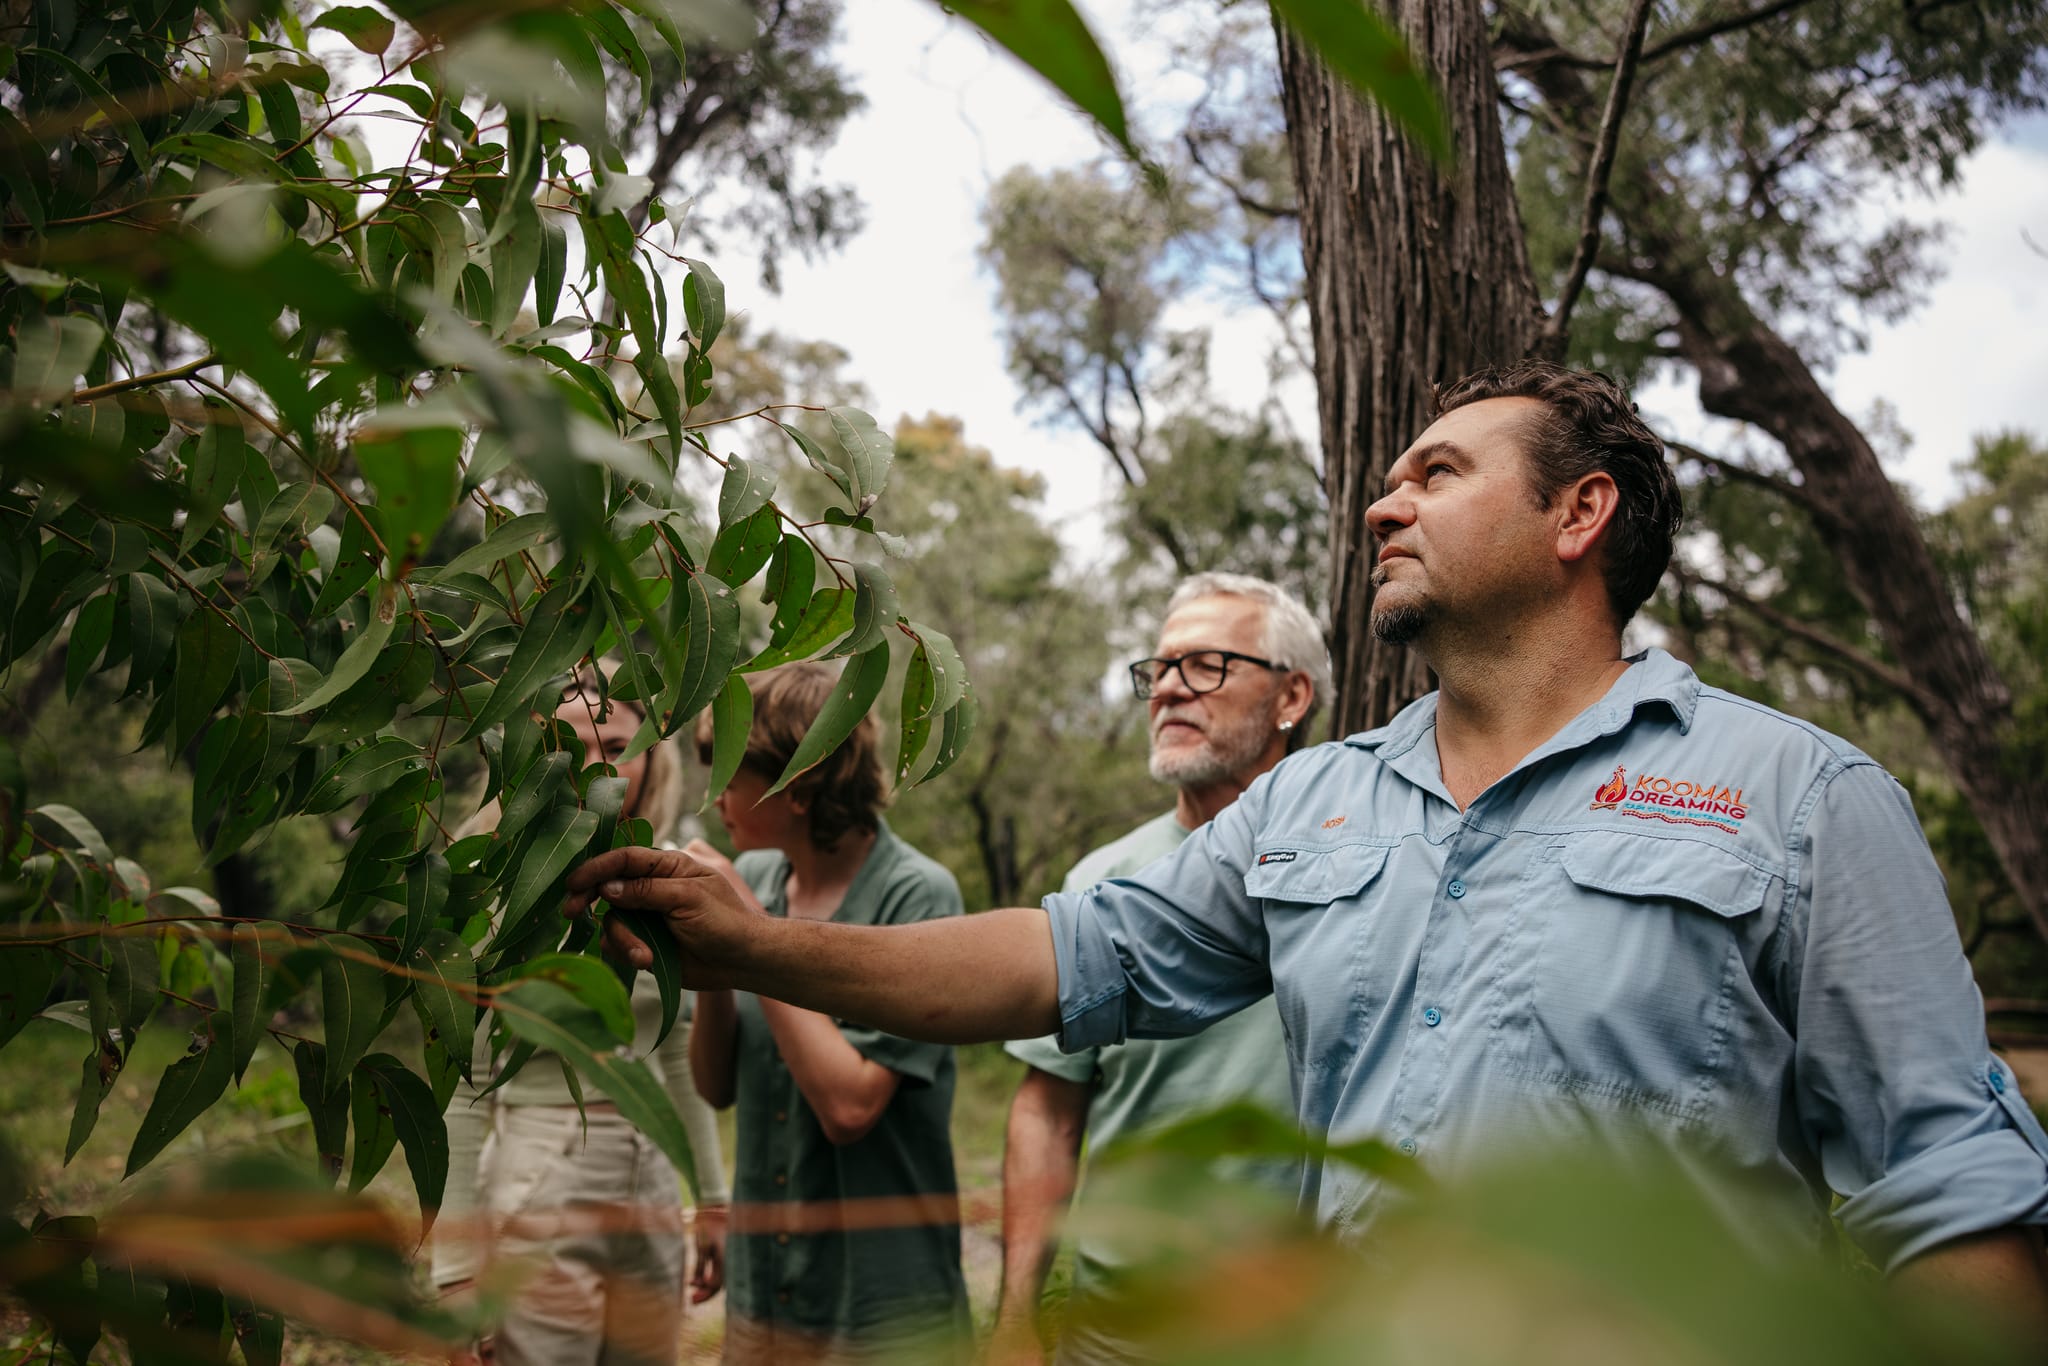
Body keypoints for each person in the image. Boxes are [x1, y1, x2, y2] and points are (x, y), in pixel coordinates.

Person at [570, 362, 2048, 1331]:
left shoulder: (1796, 798)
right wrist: (761, 945)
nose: (1382, 499)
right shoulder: (1314, 804)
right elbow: (1061, 957)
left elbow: (1952, 1190)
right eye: (1391, 475)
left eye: (1439, 472)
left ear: (1579, 513)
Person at [990, 572, 1324, 1365]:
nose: (1168, 689)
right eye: (1159, 669)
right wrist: (1013, 1319)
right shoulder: (1099, 880)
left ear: (1292, 696)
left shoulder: (1350, 867)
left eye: (1205, 665)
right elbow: (1047, 1113)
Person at [432, 678, 730, 1366]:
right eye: (568, 747)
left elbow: (677, 1048)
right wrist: (453, 1267)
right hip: (543, 1172)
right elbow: (462, 1081)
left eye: (621, 746)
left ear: (655, 758)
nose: (599, 770)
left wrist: (711, 1197)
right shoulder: (495, 884)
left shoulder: (668, 885)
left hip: (652, 1176)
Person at [684, 661, 972, 1364]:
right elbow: (715, 1087)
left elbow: (850, 1108)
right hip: (764, 1299)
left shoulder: (918, 898)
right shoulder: (754, 879)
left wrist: (750, 937)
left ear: (801, 784)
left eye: (731, 771)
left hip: (880, 1311)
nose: (714, 796)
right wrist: (710, 959)